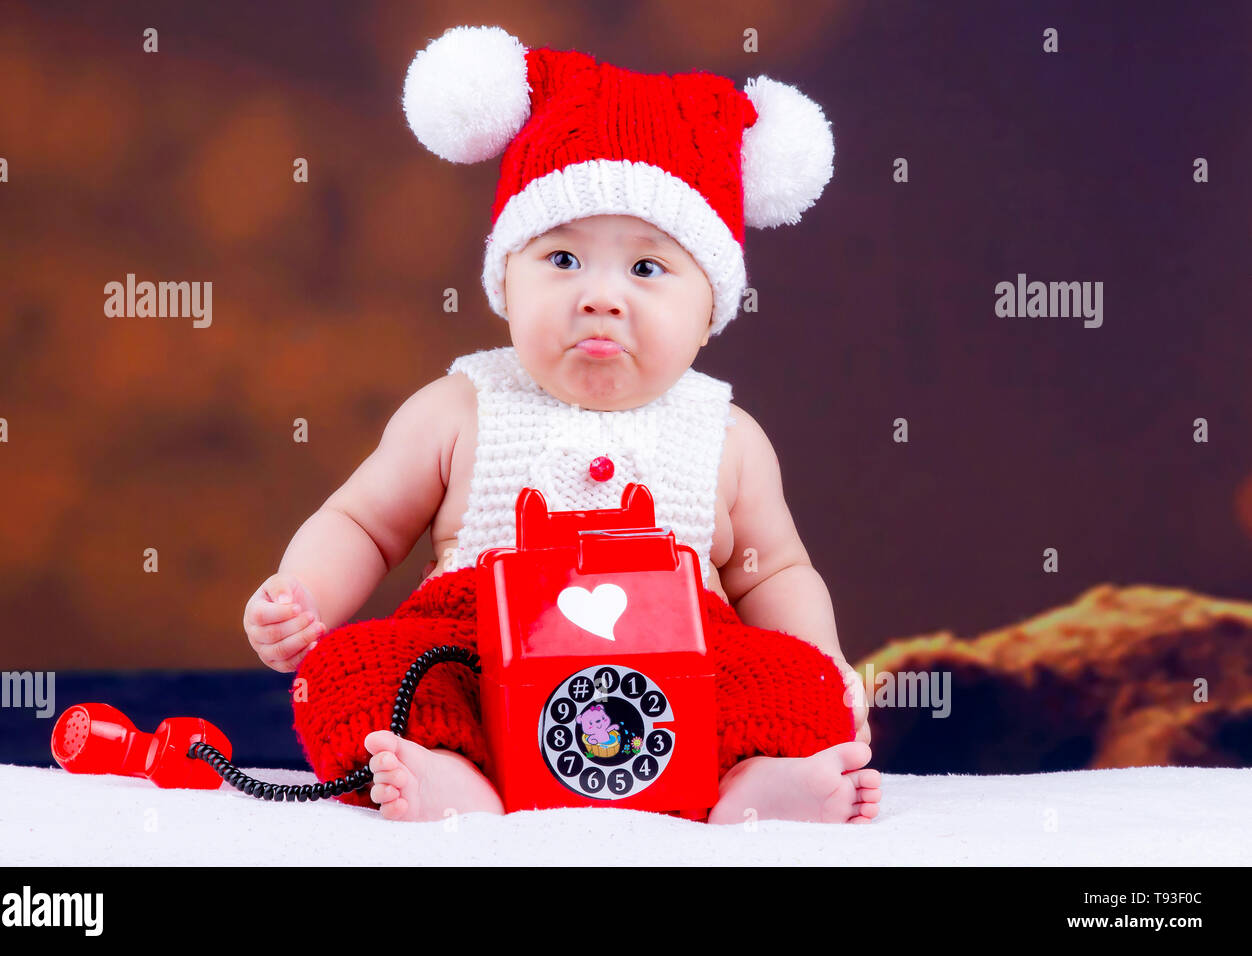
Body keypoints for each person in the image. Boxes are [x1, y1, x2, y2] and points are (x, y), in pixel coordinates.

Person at [242, 25, 880, 825]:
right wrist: (304, 596)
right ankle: (449, 770)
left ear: (711, 306)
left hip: (683, 656)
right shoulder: (459, 407)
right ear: (505, 278)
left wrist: (824, 664)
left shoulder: (729, 437)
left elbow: (773, 573)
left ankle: (753, 783)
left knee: (793, 684)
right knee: (354, 668)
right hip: (474, 647)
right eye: (563, 260)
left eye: (647, 268)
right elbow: (363, 522)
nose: (600, 296)